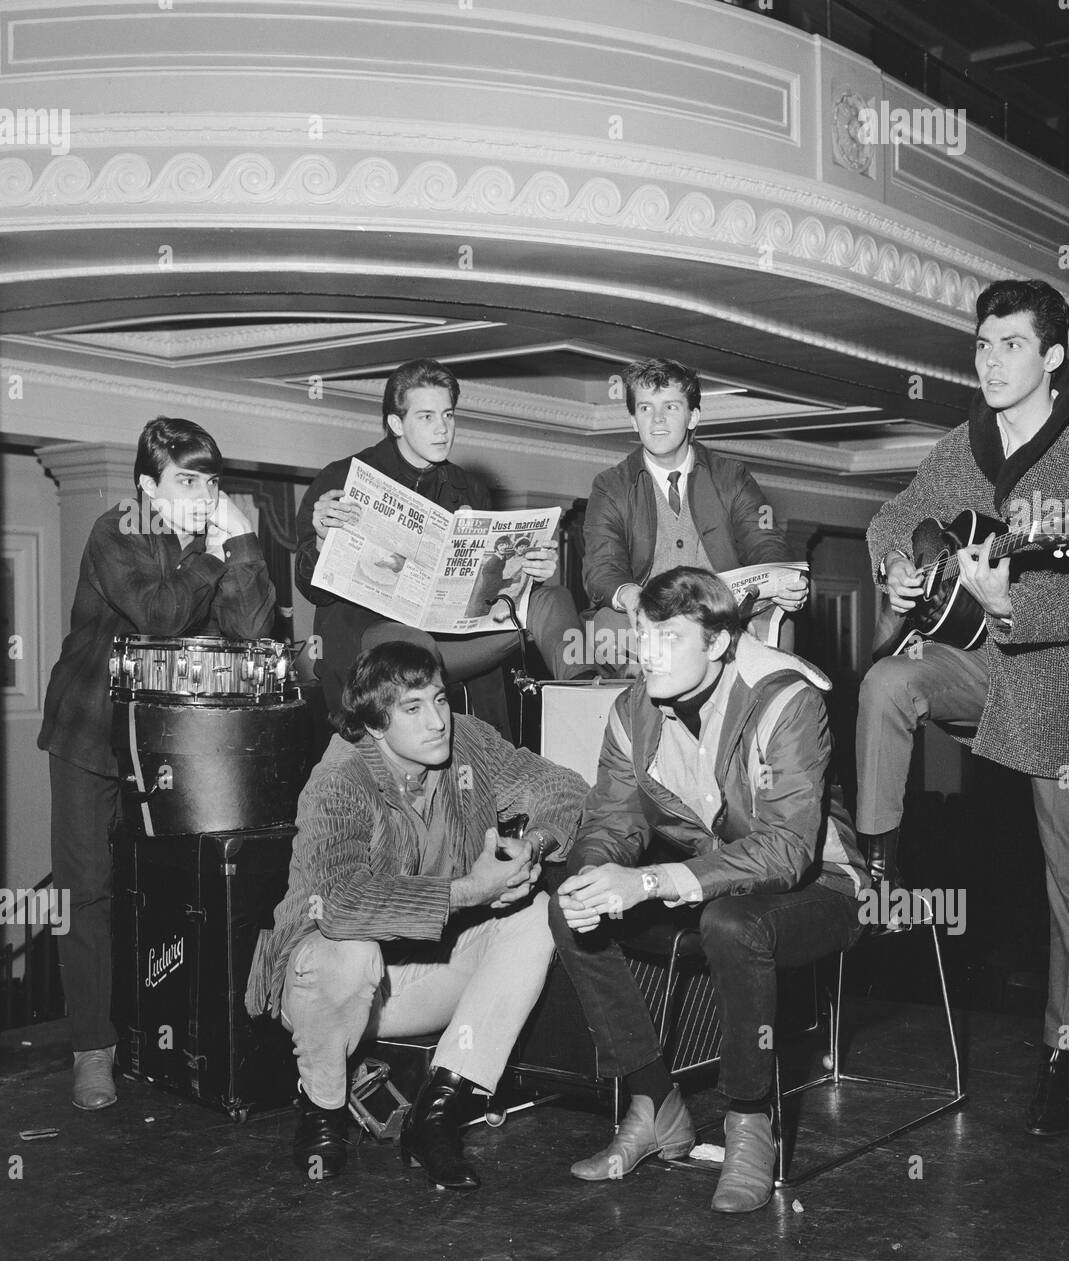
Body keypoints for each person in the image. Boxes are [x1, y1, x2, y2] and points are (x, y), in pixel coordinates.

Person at [855, 278, 1069, 1137]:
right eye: (981, 344)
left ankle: (1067, 1052)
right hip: (982, 669)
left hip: (1067, 689)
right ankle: (877, 861)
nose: (989, 360)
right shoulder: (963, 443)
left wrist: (1010, 599)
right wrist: (899, 567)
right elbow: (895, 515)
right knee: (885, 683)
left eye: (1010, 344)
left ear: (1052, 357)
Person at [549, 568, 867, 1213]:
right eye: (641, 633)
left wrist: (646, 881)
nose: (647, 652)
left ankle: (749, 1121)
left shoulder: (787, 700)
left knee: (731, 923)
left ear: (719, 642)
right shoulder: (632, 709)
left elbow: (786, 849)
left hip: (821, 890)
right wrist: (591, 876)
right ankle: (654, 1102)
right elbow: (612, 821)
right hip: (712, 885)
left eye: (668, 635)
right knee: (569, 907)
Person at [244, 641, 589, 1185]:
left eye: (439, 700)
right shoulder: (339, 781)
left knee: (536, 913)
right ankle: (322, 1107)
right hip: (332, 983)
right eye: (412, 708)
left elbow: (563, 786)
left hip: (421, 977)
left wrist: (535, 844)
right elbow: (341, 905)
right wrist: (469, 890)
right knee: (350, 953)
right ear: (375, 726)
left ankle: (436, 1117)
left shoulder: (466, 743)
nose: (437, 722)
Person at [38, 417, 276, 1110]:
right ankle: (92, 1048)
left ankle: (163, 1036)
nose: (203, 493)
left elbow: (250, 628)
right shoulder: (116, 530)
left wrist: (241, 541)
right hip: (88, 731)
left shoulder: (210, 535)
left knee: (177, 891)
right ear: (148, 484)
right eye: (187, 480)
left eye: (210, 480)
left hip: (168, 740)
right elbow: (161, 615)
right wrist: (213, 550)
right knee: (86, 891)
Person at [297, 359, 595, 723]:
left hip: (451, 636)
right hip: (377, 643)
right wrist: (322, 541)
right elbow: (312, 591)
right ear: (396, 424)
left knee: (553, 600)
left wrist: (531, 574)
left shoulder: (469, 488)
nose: (443, 429)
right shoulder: (343, 478)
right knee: (415, 645)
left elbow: (493, 592)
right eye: (426, 417)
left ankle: (590, 707)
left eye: (449, 415)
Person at [582, 357, 808, 666]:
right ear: (634, 420)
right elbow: (601, 568)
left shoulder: (732, 477)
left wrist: (781, 581)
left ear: (693, 417)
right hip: (648, 623)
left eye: (671, 407)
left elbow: (765, 542)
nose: (657, 420)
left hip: (719, 618)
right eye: (646, 408)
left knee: (780, 619)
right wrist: (630, 596)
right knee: (607, 623)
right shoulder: (610, 487)